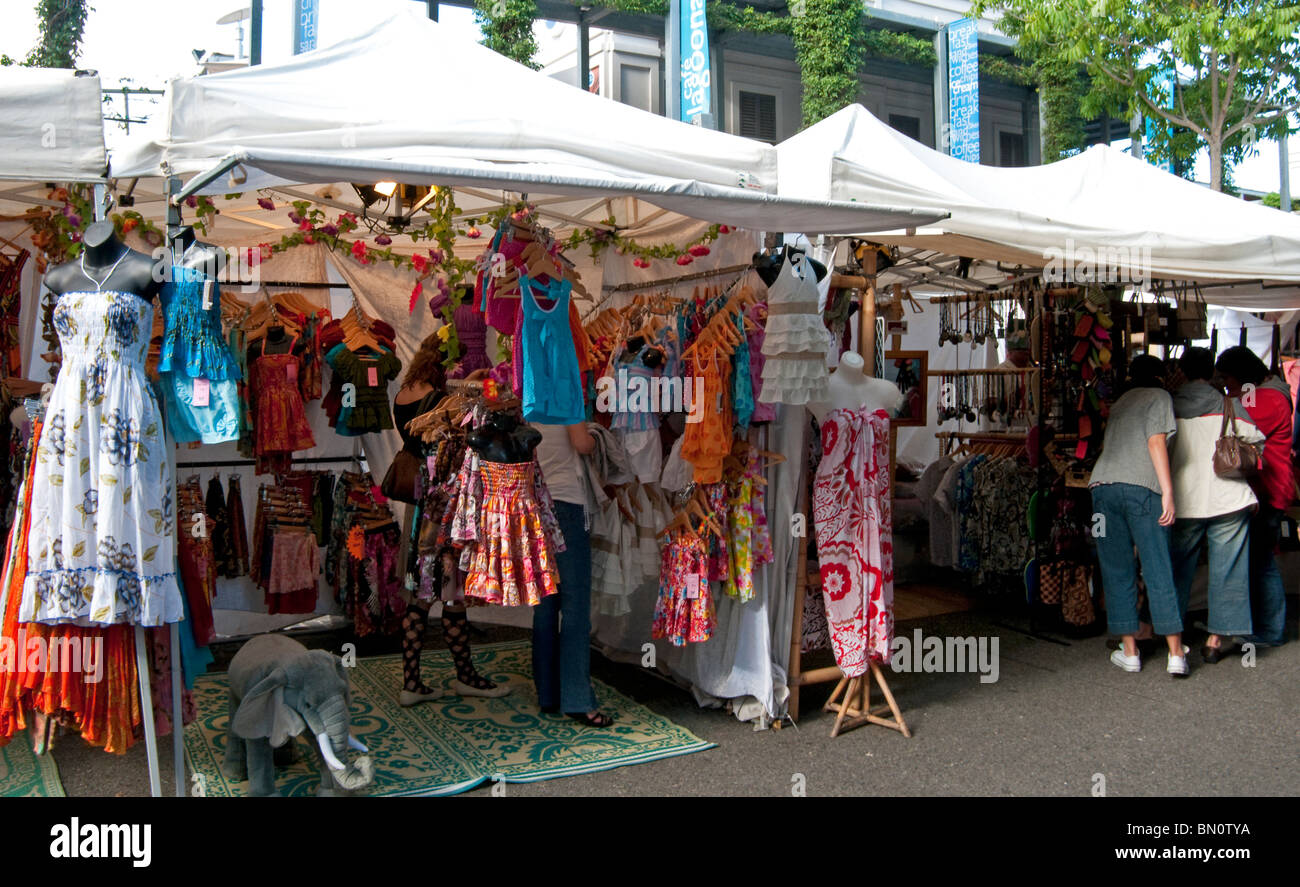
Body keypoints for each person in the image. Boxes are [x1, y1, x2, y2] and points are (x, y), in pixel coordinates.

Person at [394, 334, 509, 706]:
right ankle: (465, 676)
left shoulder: (403, 395)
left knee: (422, 593)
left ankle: (414, 682)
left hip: (421, 502)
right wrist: (476, 388)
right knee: (450, 592)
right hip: (447, 506)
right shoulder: (442, 404)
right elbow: (470, 419)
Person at [1089, 354, 1189, 676]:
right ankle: (1176, 654)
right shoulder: (1160, 397)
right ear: (1161, 377)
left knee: (1116, 568)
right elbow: (1156, 441)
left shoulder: (1120, 402)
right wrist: (1168, 493)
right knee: (1157, 567)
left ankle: (1129, 651)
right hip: (1143, 491)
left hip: (1101, 491)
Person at [1168, 348, 1264, 663]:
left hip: (1183, 502)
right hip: (1228, 499)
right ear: (1211, 373)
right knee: (1229, 570)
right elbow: (1256, 440)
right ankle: (1215, 640)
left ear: (1181, 371)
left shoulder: (1167, 406)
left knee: (1178, 568)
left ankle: (1173, 632)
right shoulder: (1229, 405)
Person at [532, 422, 613, 727]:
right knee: (576, 604)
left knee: (546, 600)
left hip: (539, 498)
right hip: (567, 501)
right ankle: (579, 700)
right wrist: (595, 435)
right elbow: (581, 444)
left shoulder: (531, 394)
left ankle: (548, 692)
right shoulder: (566, 395)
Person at [1215, 346, 1294, 648]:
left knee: (1261, 562)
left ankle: (1270, 630)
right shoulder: (1272, 393)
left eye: (1227, 379)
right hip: (1269, 489)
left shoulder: (1266, 398)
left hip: (1269, 490)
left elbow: (1237, 426)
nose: (1225, 385)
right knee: (1260, 559)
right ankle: (1260, 626)